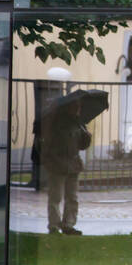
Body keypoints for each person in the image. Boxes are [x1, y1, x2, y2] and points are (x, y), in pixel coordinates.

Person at [41, 98, 92, 235]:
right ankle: (54, 225)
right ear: (68, 107)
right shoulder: (55, 123)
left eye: (79, 106)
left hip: (73, 165)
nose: (78, 109)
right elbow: (46, 144)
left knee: (72, 197)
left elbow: (82, 145)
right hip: (57, 164)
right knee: (55, 197)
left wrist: (87, 136)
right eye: (75, 106)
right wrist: (51, 160)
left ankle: (68, 224)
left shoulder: (79, 123)